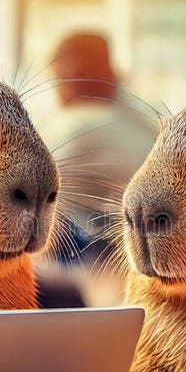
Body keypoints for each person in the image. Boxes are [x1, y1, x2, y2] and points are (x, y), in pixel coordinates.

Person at [37, 33, 158, 306]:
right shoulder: (139, 121)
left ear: (68, 74)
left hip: (103, 281)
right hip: (141, 275)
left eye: (56, 74)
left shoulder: (78, 124)